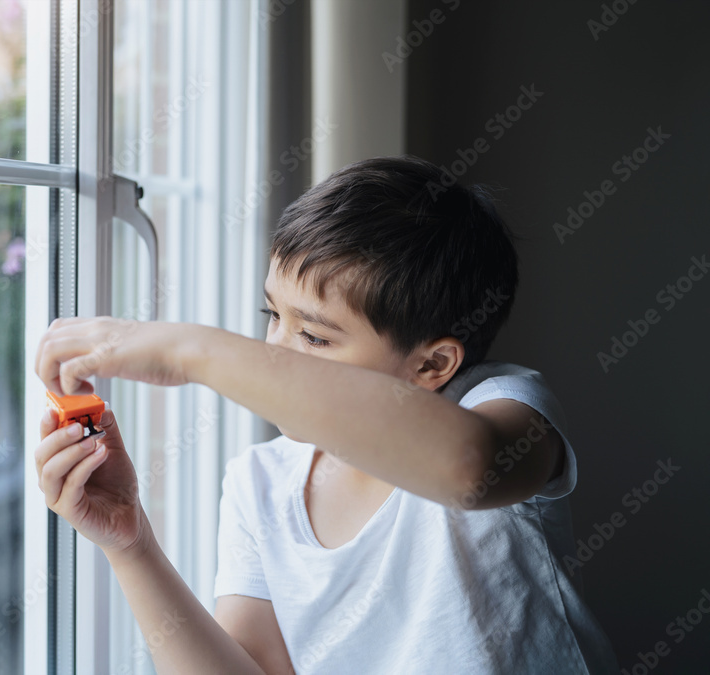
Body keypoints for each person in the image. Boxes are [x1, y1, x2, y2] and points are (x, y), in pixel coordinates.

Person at [33, 156, 620, 673]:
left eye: (314, 337)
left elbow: (470, 469)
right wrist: (130, 544)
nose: (276, 352)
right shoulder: (259, 483)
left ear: (432, 363)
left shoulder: (500, 405)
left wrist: (191, 350)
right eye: (272, 315)